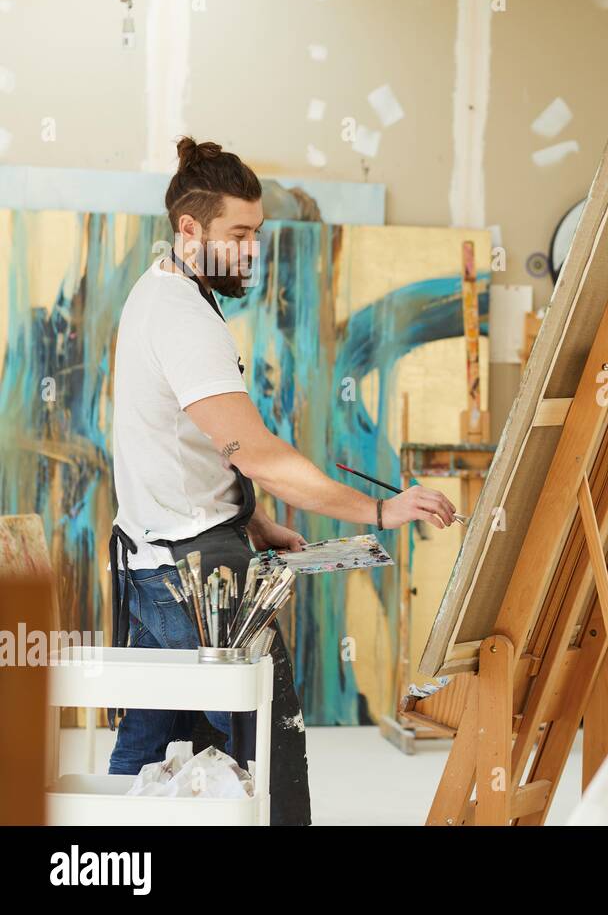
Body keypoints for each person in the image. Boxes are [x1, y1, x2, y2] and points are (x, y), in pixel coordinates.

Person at [106, 137, 456, 824]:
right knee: (268, 744)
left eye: (256, 234)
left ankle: (103, 858)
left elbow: (185, 450)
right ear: (189, 230)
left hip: (157, 558)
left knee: (150, 750)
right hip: (194, 575)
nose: (250, 250)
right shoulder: (180, 317)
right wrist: (379, 512)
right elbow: (257, 452)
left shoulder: (162, 294)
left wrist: (250, 522)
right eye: (237, 234)